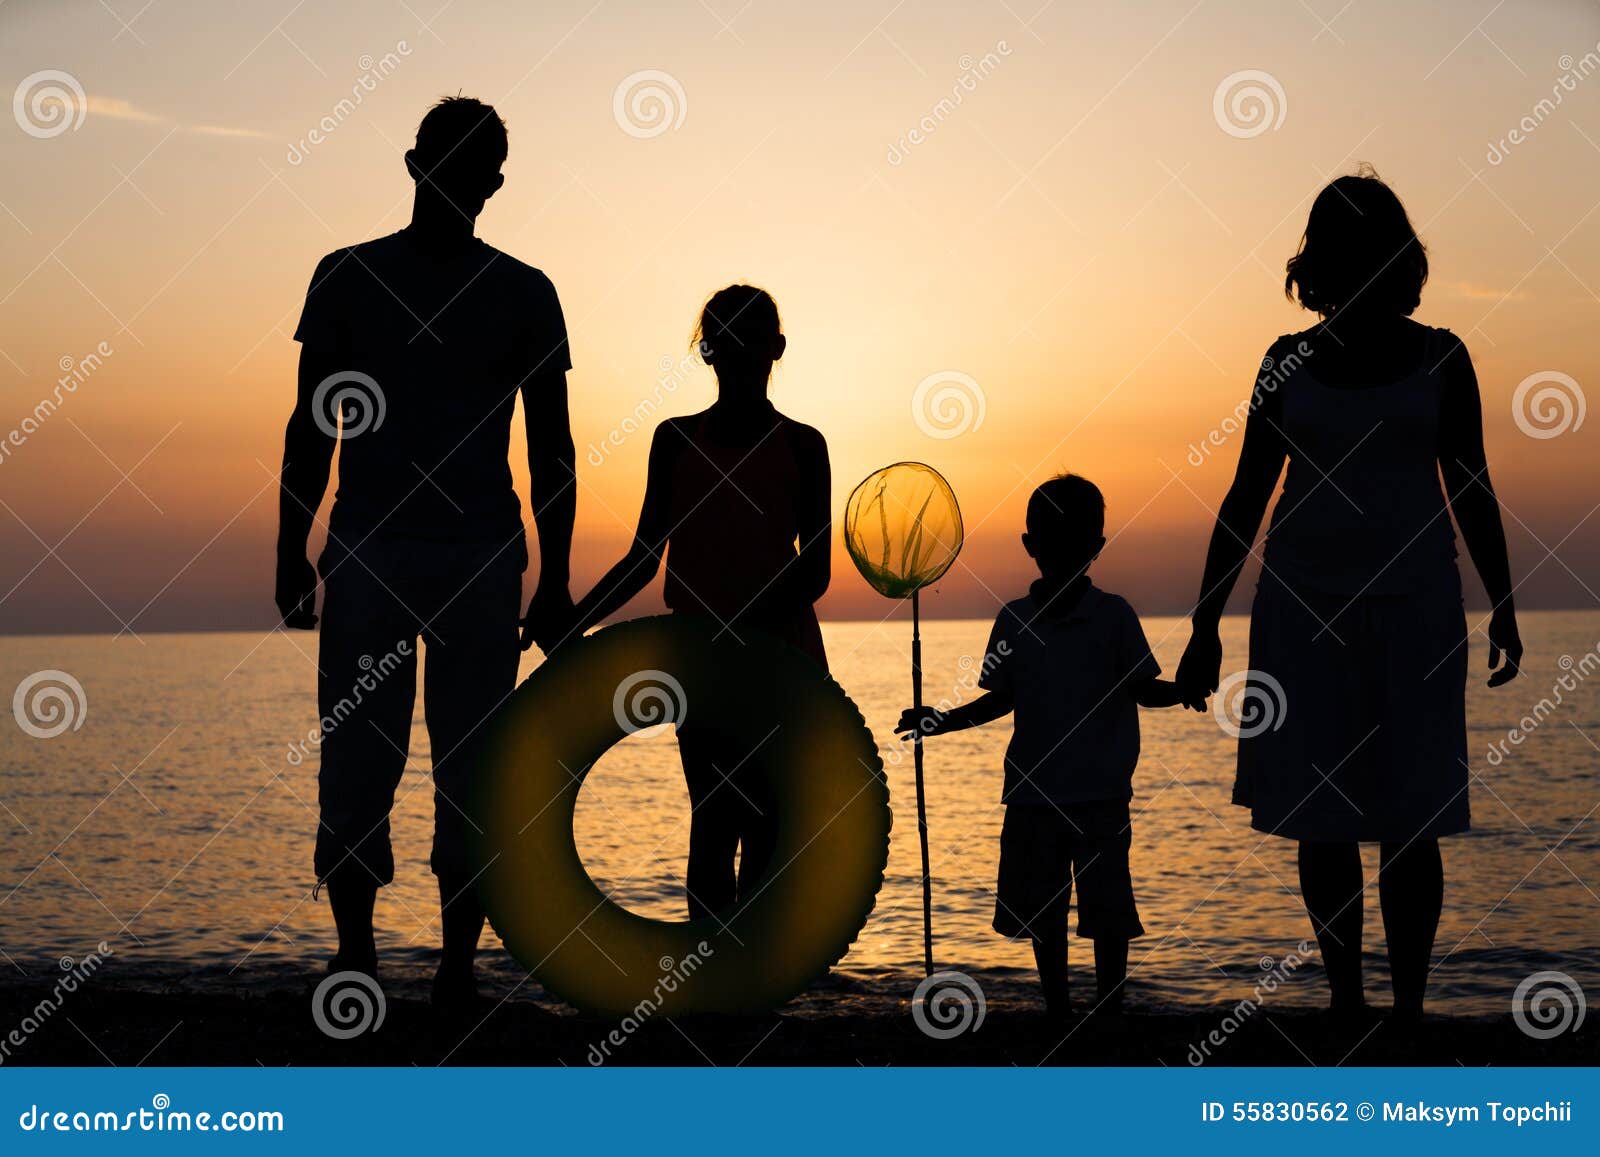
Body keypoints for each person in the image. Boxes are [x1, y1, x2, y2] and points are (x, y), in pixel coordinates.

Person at [1174, 167, 1523, 1025]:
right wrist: (1205, 621)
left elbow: (1471, 483)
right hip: (1302, 609)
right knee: (1320, 816)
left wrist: (1504, 601)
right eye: (1343, 245)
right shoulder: (1286, 361)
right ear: (1322, 258)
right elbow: (1247, 493)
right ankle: (1345, 997)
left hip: (1417, 608)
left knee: (1416, 812)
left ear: (1396, 253)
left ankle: (1404, 1008)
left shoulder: (1443, 357)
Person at [275, 96, 577, 1008]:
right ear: (415, 166)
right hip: (371, 546)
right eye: (451, 166)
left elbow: (554, 445)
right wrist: (291, 549)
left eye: (476, 169)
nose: (461, 184)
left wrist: (555, 577)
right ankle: (358, 953)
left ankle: (453, 964)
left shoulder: (527, 292)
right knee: (361, 753)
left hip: (479, 554)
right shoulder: (346, 277)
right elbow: (311, 425)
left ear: (493, 182)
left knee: (475, 760)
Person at [566, 285, 831, 919]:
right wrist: (574, 621)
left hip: (779, 659)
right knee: (714, 814)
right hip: (701, 664)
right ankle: (712, 975)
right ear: (707, 351)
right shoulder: (675, 441)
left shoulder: (803, 444)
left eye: (753, 343)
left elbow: (815, 571)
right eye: (727, 343)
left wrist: (741, 626)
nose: (740, 357)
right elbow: (642, 557)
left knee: (768, 817)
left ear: (777, 349)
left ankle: (746, 980)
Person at [898, 474, 1190, 1018]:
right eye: (1052, 540)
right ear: (1032, 546)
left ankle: (1108, 1008)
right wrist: (939, 721)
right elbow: (999, 700)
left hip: (1101, 794)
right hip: (1034, 793)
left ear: (1094, 548)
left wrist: (1185, 691)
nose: (1058, 553)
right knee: (1045, 913)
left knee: (1107, 911)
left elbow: (1144, 691)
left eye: (1070, 541)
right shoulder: (1013, 618)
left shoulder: (1115, 616)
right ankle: (1060, 1008)